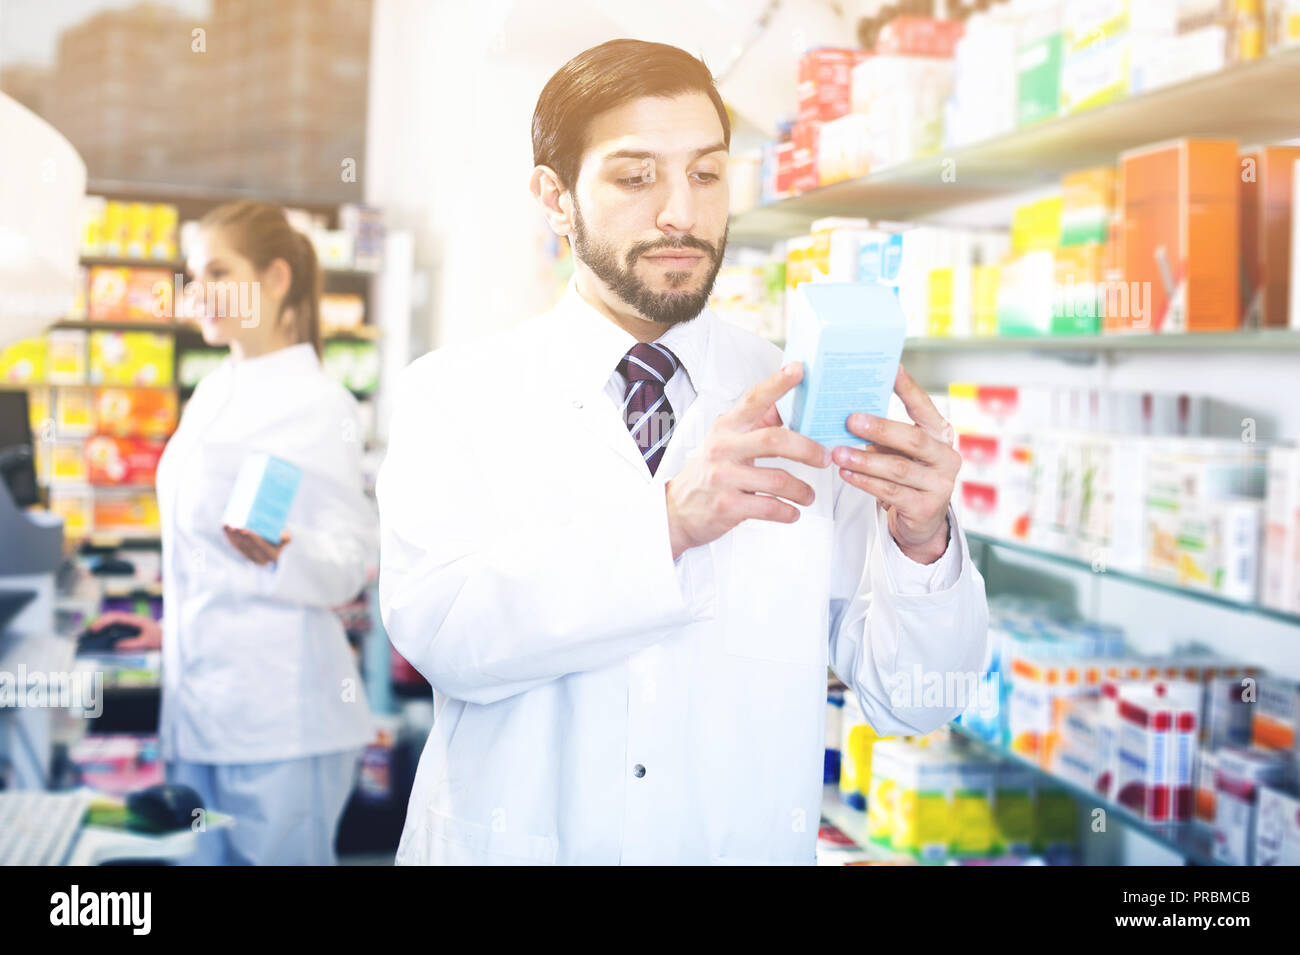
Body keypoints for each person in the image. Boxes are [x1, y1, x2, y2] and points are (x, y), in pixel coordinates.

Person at [376, 39, 989, 865]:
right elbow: (445, 642)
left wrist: (925, 544)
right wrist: (667, 525)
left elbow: (922, 699)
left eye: (706, 174)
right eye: (636, 177)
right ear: (554, 198)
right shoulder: (452, 396)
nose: (681, 213)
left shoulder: (802, 394)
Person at [89, 200, 376, 864]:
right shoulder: (213, 391)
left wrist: (284, 555)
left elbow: (351, 560)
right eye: (194, 276)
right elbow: (205, 554)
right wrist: (172, 628)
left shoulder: (321, 403)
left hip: (281, 717)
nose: (199, 293)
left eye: (219, 272)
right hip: (200, 708)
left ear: (276, 278)